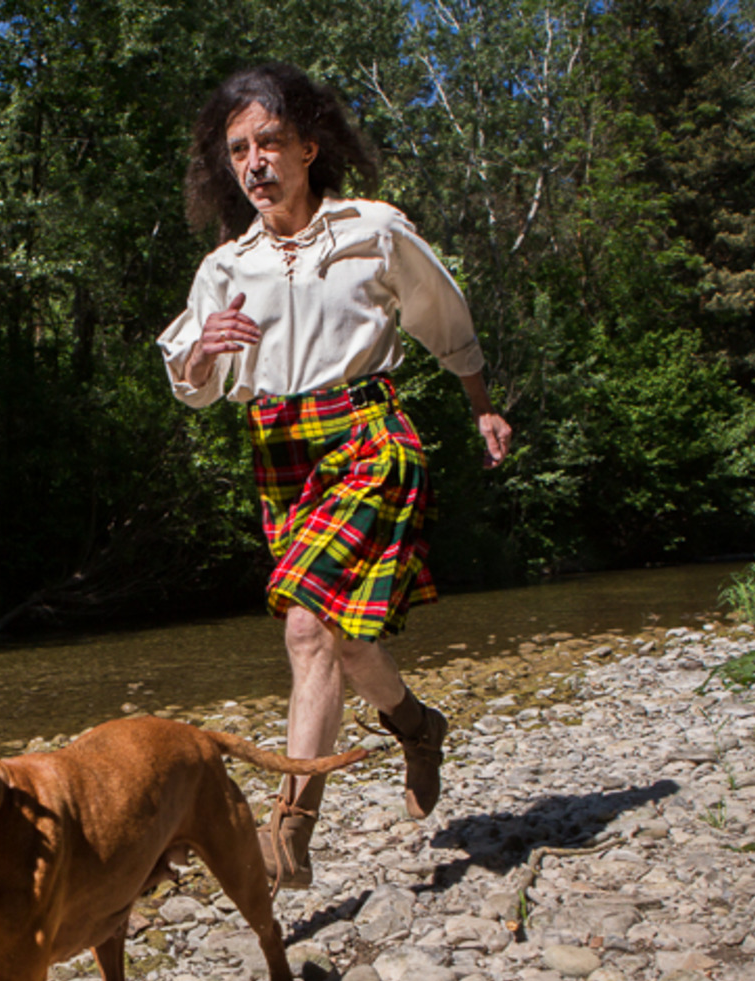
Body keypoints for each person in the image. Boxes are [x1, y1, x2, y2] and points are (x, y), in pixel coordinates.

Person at [157, 62, 512, 891]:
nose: (254, 162)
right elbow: (193, 383)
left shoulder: (371, 230)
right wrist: (205, 351)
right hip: (280, 452)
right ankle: (417, 725)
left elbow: (443, 313)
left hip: (366, 434)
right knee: (346, 639)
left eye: (270, 142)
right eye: (239, 149)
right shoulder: (226, 268)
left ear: (309, 148)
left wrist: (481, 406)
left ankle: (290, 827)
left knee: (307, 629)